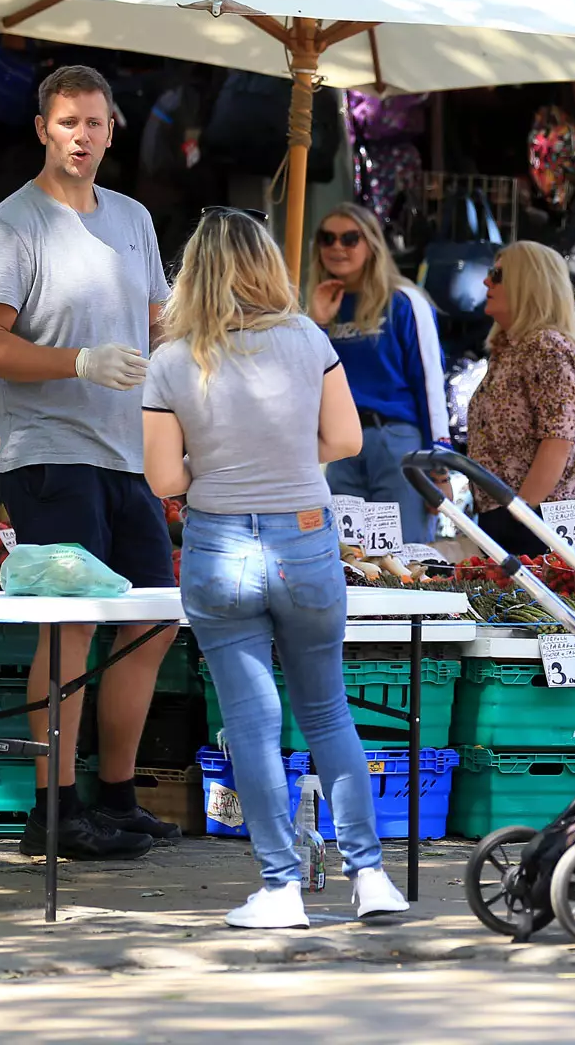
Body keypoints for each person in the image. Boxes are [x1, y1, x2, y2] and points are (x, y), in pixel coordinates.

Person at [142, 206, 407, 928]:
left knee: (253, 724)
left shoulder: (172, 359)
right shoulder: (306, 339)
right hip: (307, 538)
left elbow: (164, 480)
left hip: (219, 545)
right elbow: (346, 438)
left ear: (193, 273)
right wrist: (286, 457)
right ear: (267, 264)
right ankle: (371, 877)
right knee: (327, 711)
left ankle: (282, 888)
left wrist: (220, 464)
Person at [0, 64, 179, 862]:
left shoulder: (133, 218)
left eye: (94, 123)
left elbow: (162, 328)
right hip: (48, 454)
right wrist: (77, 362)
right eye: (67, 123)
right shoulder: (12, 226)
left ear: (114, 129)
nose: (82, 137)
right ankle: (49, 810)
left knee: (151, 622)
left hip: (126, 456)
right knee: (73, 623)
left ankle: (116, 799)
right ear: (42, 130)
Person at [307, 204, 449, 544]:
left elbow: (430, 384)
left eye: (349, 238)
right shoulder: (322, 303)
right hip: (340, 445)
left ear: (370, 244)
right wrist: (317, 323)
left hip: (397, 442)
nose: (337, 247)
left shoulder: (404, 301)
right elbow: (306, 381)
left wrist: (440, 466)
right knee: (350, 560)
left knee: (406, 556)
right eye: (327, 239)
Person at [466, 241, 575, 555]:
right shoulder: (512, 348)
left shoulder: (547, 347)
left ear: (529, 283)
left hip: (539, 523)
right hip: (515, 516)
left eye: (497, 275)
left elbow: (557, 442)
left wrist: (519, 515)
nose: (486, 281)